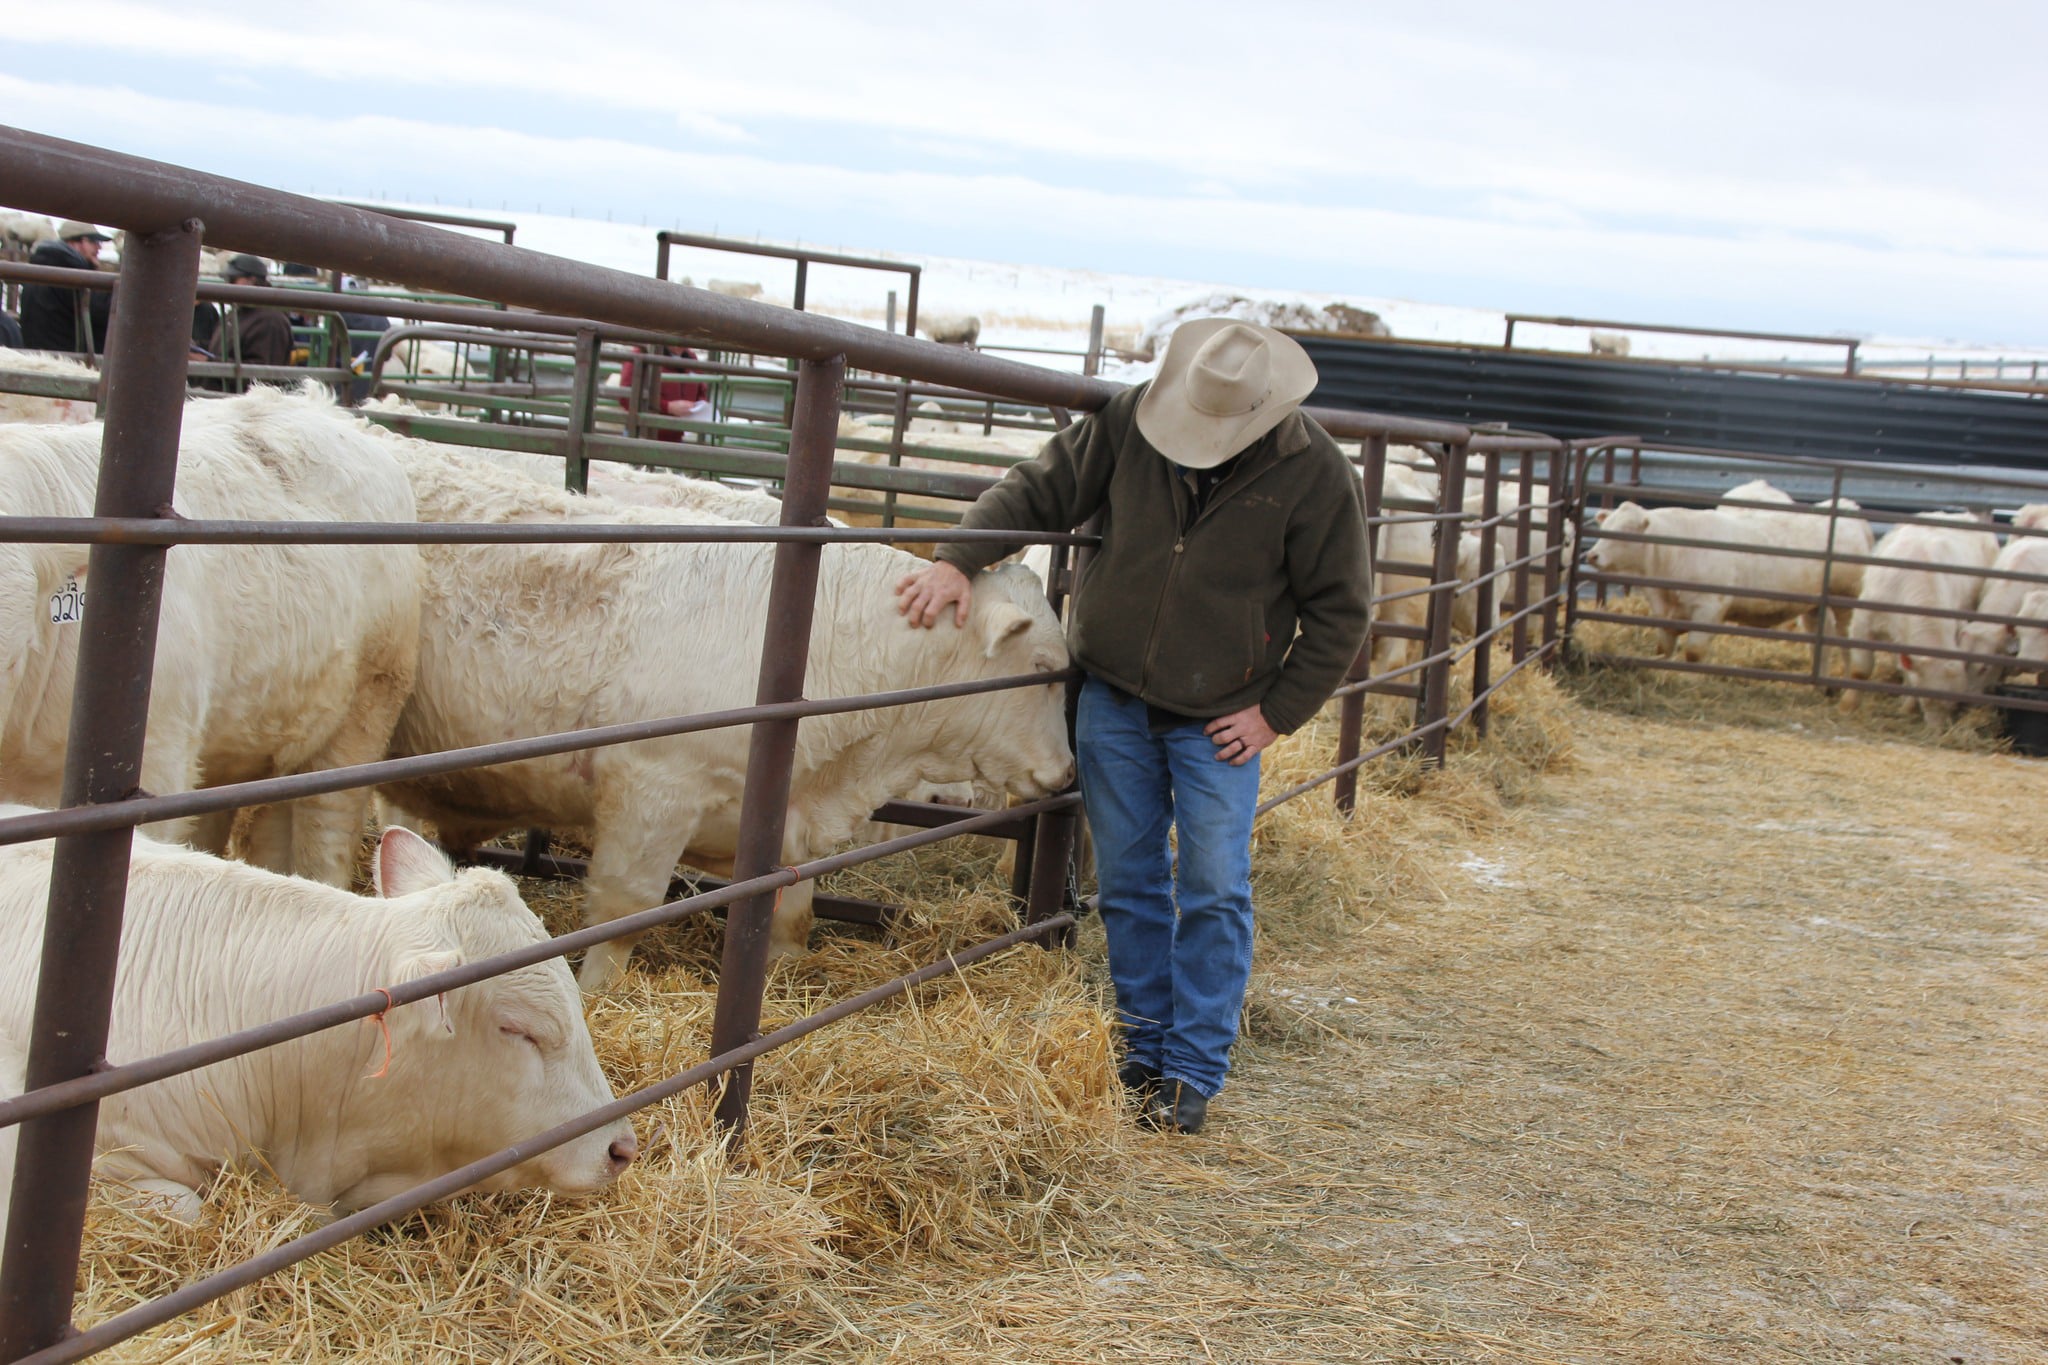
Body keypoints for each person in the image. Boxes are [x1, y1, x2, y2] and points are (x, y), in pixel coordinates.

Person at [895, 320, 1371, 1135]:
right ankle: (1143, 1047)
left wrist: (1275, 712)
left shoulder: (1314, 472)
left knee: (1215, 885)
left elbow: (1342, 609)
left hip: (1222, 716)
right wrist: (956, 555)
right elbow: (1040, 487)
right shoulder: (1134, 423)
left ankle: (1192, 1070)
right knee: (1129, 883)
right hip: (1113, 697)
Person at [19, 221, 112, 353]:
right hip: (68, 361)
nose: (99, 247)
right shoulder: (70, 274)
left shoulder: (41, 270)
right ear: (72, 242)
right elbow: (103, 311)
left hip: (41, 356)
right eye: (93, 241)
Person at [618, 341, 711, 440]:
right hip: (643, 434)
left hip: (676, 436)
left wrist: (698, 405)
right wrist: (667, 407)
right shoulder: (641, 353)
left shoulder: (691, 357)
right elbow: (626, 396)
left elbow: (701, 388)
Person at [218, 253, 296, 370]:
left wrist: (208, 361)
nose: (228, 284)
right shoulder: (238, 312)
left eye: (232, 279)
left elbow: (262, 374)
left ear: (251, 281)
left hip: (234, 388)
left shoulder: (271, 320)